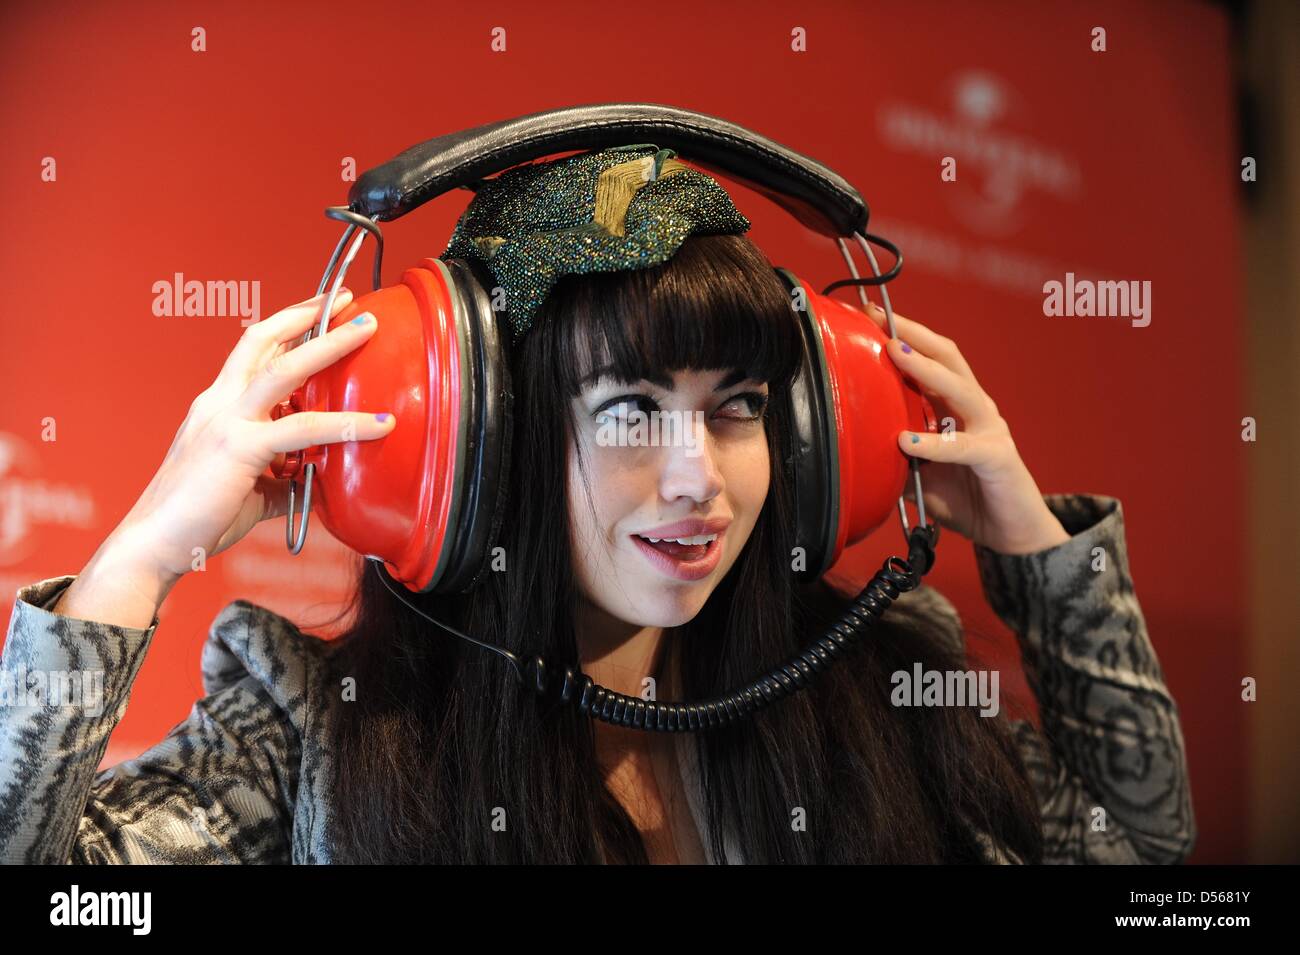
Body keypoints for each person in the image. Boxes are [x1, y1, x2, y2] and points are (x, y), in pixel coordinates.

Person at [0, 146, 1195, 864]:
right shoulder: (316, 722)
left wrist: (1040, 551)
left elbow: (1149, 863)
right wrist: (149, 546)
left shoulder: (882, 682)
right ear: (483, 444)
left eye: (737, 408)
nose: (700, 478)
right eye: (629, 410)